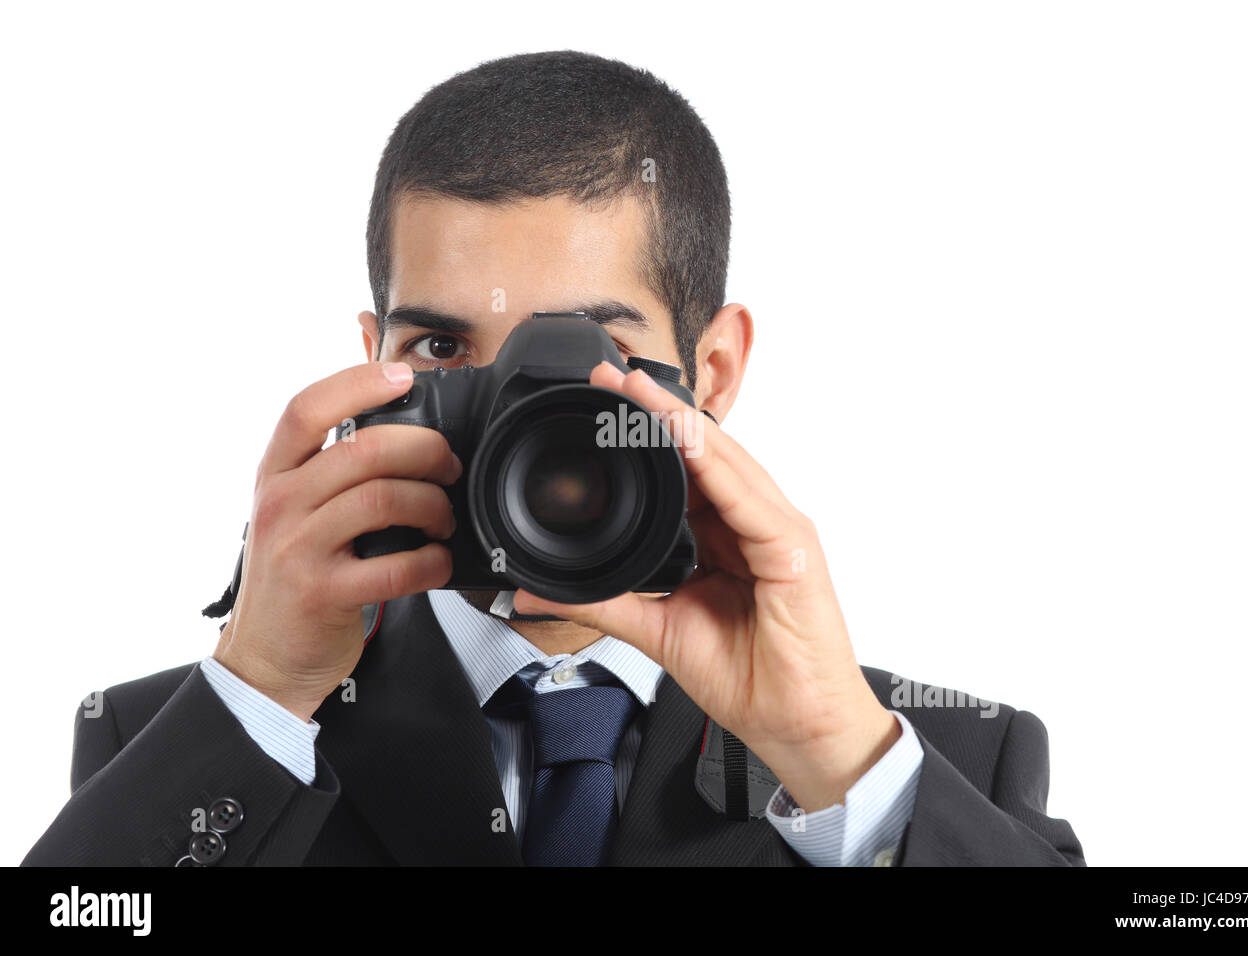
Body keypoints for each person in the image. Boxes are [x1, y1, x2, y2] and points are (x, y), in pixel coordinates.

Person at [23, 50, 1084, 867]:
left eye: (593, 360)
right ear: (372, 362)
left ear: (711, 372)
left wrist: (843, 761)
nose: (524, 436)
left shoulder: (942, 758)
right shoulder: (181, 733)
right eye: (442, 349)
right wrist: (256, 696)